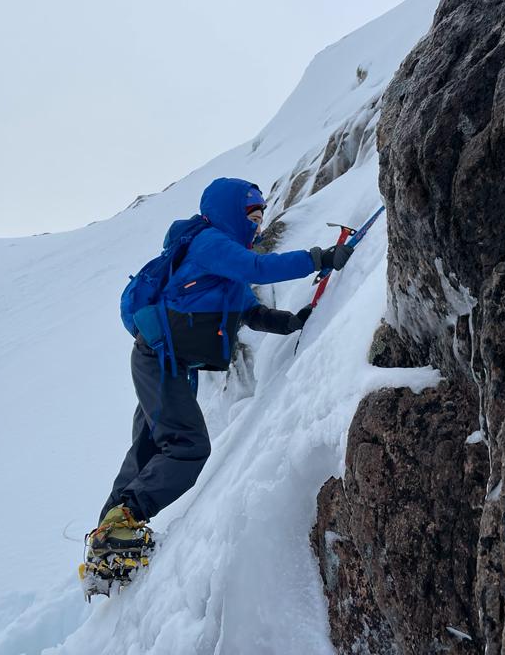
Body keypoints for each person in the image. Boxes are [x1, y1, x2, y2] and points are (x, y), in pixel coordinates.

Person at [90, 177, 354, 554]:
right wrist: (320, 258)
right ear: (232, 211)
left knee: (150, 446)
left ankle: (109, 537)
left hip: (166, 363)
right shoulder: (211, 242)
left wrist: (290, 322)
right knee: (188, 445)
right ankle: (120, 526)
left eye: (261, 216)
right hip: (158, 359)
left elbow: (249, 311)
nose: (258, 223)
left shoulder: (222, 263)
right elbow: (259, 270)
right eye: (252, 214)